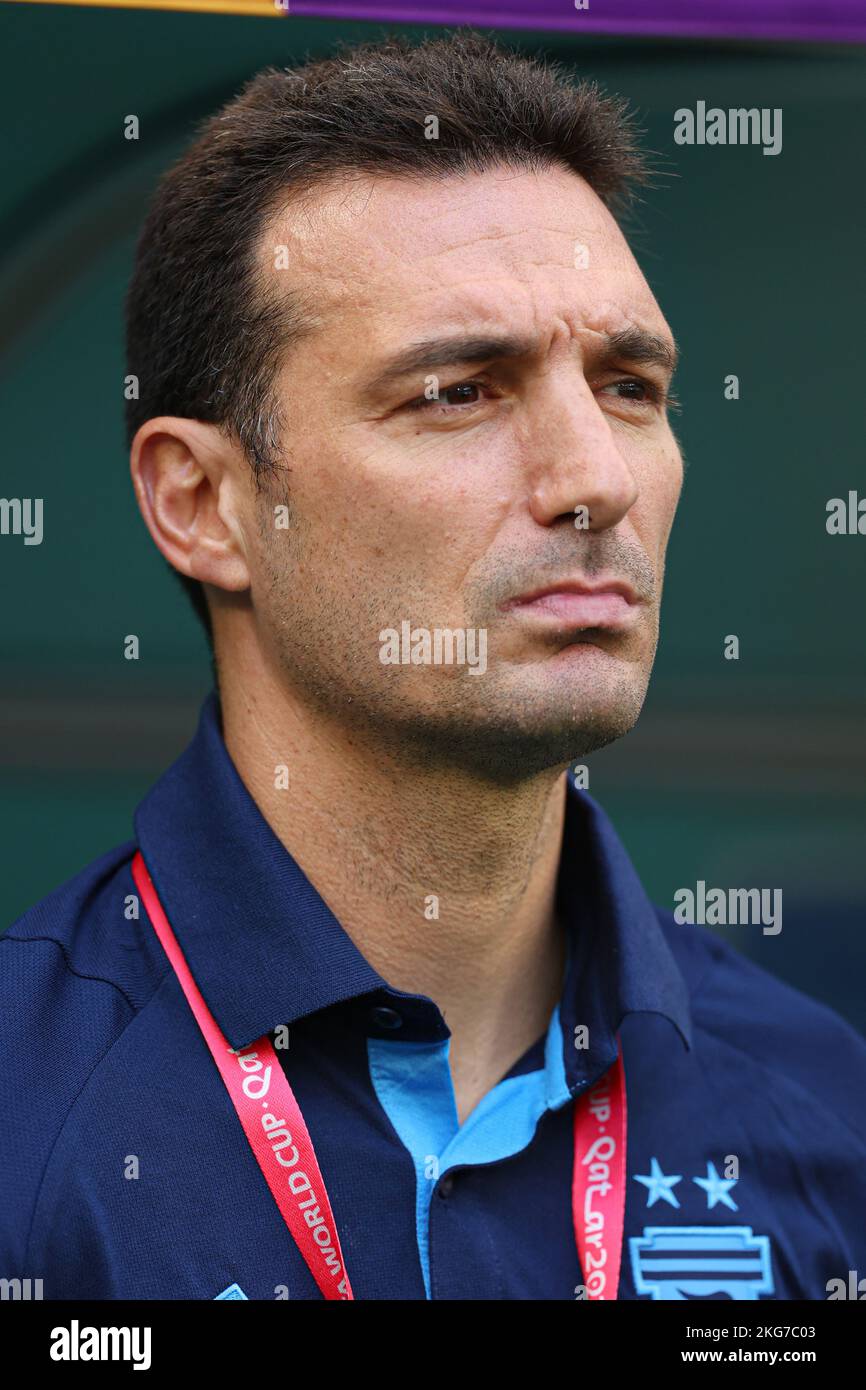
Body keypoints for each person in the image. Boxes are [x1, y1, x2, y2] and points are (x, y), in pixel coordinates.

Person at [1, 31, 864, 1302]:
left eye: (628, 385)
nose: (596, 479)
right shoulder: (28, 1108)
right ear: (202, 502)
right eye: (459, 392)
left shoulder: (818, 1108)